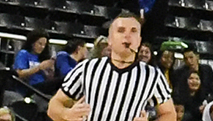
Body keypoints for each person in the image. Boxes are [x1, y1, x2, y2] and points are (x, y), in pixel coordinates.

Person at [45, 13, 173, 121]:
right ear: (110, 39)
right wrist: (67, 115)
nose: (127, 35)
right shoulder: (88, 68)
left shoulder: (152, 75)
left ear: (139, 40)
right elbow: (53, 106)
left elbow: (170, 114)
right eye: (121, 30)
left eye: (133, 31)